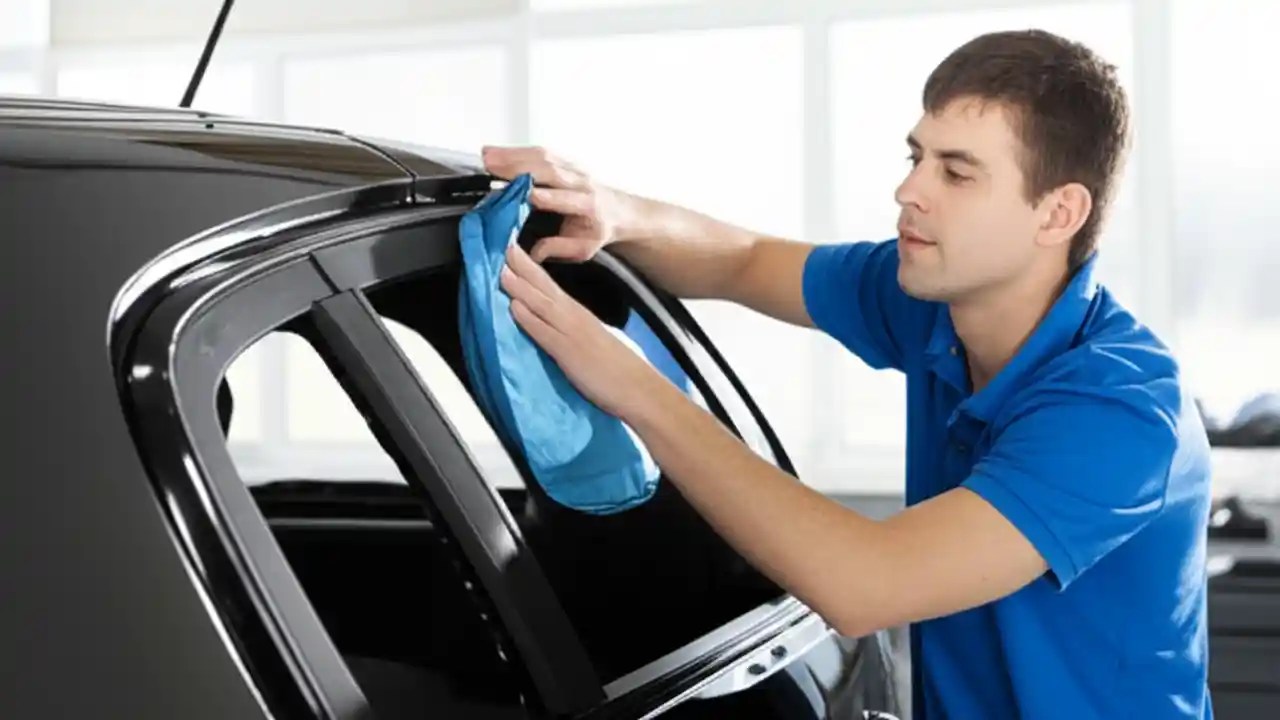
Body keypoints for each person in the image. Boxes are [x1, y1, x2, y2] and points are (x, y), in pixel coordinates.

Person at [484, 28, 1213, 719]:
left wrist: (632, 384)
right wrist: (614, 212)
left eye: (956, 172)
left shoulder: (1117, 411)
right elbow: (743, 260)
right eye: (916, 157)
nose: (910, 191)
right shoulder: (927, 299)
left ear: (1058, 214)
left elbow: (866, 585)